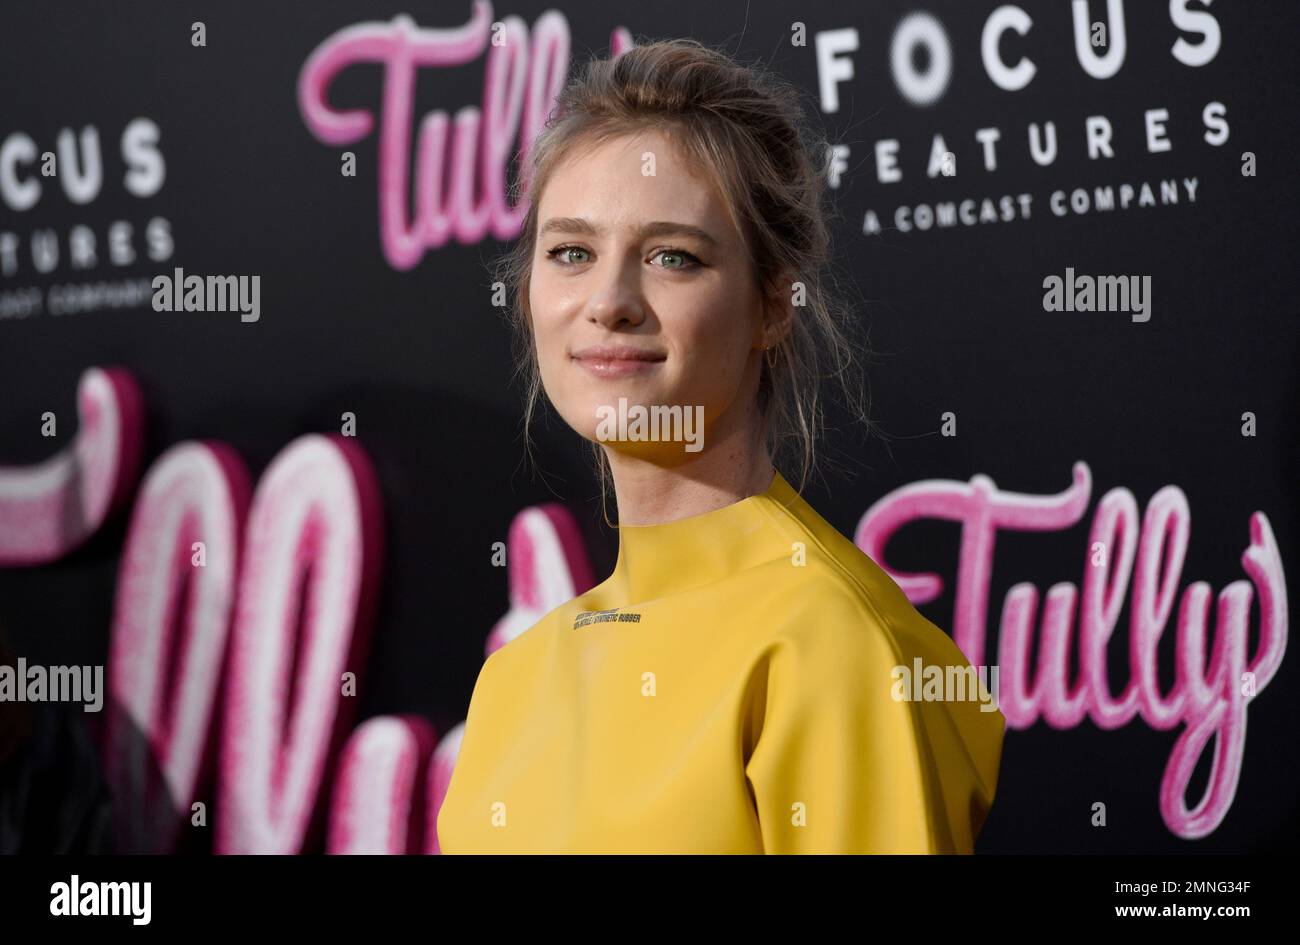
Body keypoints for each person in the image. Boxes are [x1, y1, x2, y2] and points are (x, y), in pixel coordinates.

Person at [436, 37, 1004, 853]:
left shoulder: (828, 641)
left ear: (774, 305)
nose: (610, 302)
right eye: (571, 252)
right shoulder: (514, 679)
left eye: (673, 256)